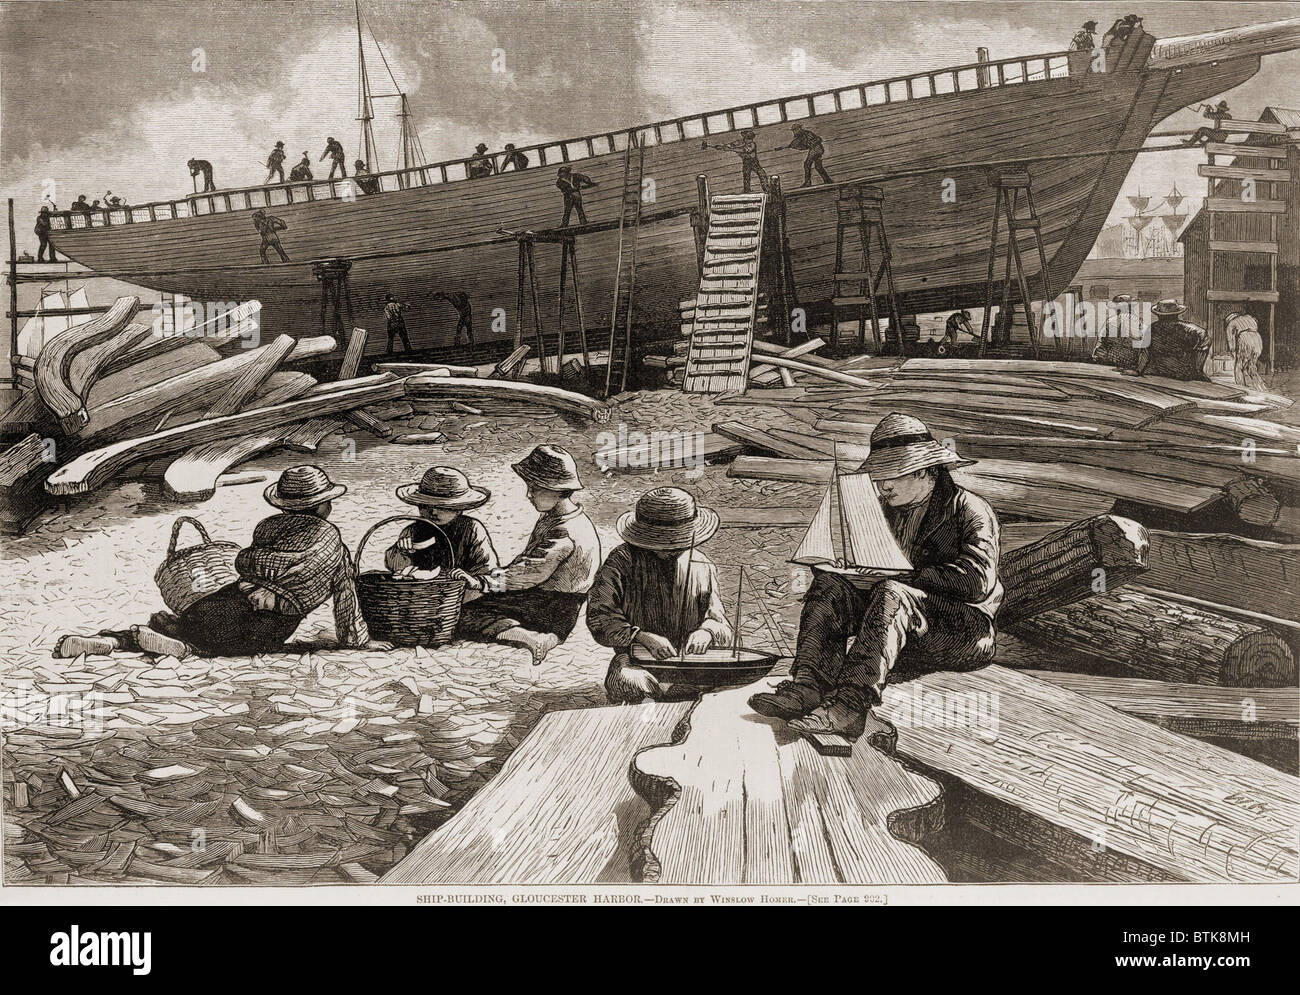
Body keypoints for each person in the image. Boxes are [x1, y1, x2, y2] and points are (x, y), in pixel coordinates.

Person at [749, 413, 1001, 743]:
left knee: (893, 592)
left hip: (961, 632)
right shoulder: (885, 509)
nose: (884, 485)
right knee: (830, 585)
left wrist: (906, 576)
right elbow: (876, 568)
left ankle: (850, 705)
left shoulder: (970, 509)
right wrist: (845, 569)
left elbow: (976, 581)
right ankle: (808, 687)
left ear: (925, 471)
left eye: (893, 475)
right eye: (879, 477)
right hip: (898, 625)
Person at [54, 466, 374, 660]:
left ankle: (111, 641)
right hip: (273, 627)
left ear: (285, 505)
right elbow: (347, 600)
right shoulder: (336, 547)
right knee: (227, 642)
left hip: (230, 603)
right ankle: (183, 649)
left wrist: (256, 570)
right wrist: (355, 642)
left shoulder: (268, 528)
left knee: (189, 622)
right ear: (324, 507)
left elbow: (245, 562)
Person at [455, 445, 601, 664]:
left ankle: (533, 638)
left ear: (558, 489)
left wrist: (481, 583)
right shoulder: (556, 518)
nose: (528, 495)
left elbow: (529, 573)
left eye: (535, 488)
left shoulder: (566, 531)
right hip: (549, 600)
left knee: (462, 616)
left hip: (552, 606)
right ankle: (544, 636)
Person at [589, 487, 733, 704]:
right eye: (662, 543)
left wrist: (707, 631)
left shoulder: (702, 565)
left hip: (691, 665)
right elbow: (599, 615)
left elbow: (720, 622)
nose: (669, 550)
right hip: (636, 660)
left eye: (677, 543)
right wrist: (640, 636)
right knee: (629, 683)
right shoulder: (621, 560)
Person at [385, 467, 499, 589]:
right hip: (421, 599)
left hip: (463, 599)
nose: (433, 512)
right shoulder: (412, 531)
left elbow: (497, 580)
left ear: (459, 508)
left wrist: (474, 582)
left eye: (442, 507)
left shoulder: (472, 529)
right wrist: (401, 552)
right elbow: (399, 571)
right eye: (426, 505)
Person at [1135, 299, 1211, 381]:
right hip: (1184, 375)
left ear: (1158, 315)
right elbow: (1205, 344)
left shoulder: (1152, 328)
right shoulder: (1194, 331)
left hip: (1156, 373)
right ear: (1178, 313)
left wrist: (1139, 371)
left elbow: (1145, 352)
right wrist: (1198, 370)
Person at [1092, 294, 1142, 369]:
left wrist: (1096, 355)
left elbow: (1101, 340)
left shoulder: (1110, 321)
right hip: (1131, 360)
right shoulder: (1138, 322)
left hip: (1111, 358)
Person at [714, 128, 769, 194]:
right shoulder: (741, 142)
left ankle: (766, 189)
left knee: (761, 174)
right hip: (746, 163)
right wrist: (722, 147)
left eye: (748, 138)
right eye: (745, 138)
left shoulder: (752, 144)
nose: (746, 140)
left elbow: (744, 150)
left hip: (754, 163)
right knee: (746, 177)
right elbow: (732, 144)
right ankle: (747, 191)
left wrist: (731, 149)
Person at [1224, 311, 1266, 390]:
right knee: (1252, 365)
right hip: (1257, 338)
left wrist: (1233, 351)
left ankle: (1241, 387)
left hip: (1245, 338)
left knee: (1239, 365)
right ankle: (1260, 387)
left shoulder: (1231, 324)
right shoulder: (1249, 318)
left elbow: (1230, 340)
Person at [786, 122, 832, 187]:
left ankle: (808, 183)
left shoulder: (807, 134)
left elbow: (819, 139)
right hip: (816, 150)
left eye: (795, 130)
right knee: (818, 167)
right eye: (793, 131)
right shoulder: (800, 137)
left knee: (807, 164)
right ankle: (827, 180)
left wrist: (810, 143)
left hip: (816, 149)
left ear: (799, 129)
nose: (794, 132)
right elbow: (801, 145)